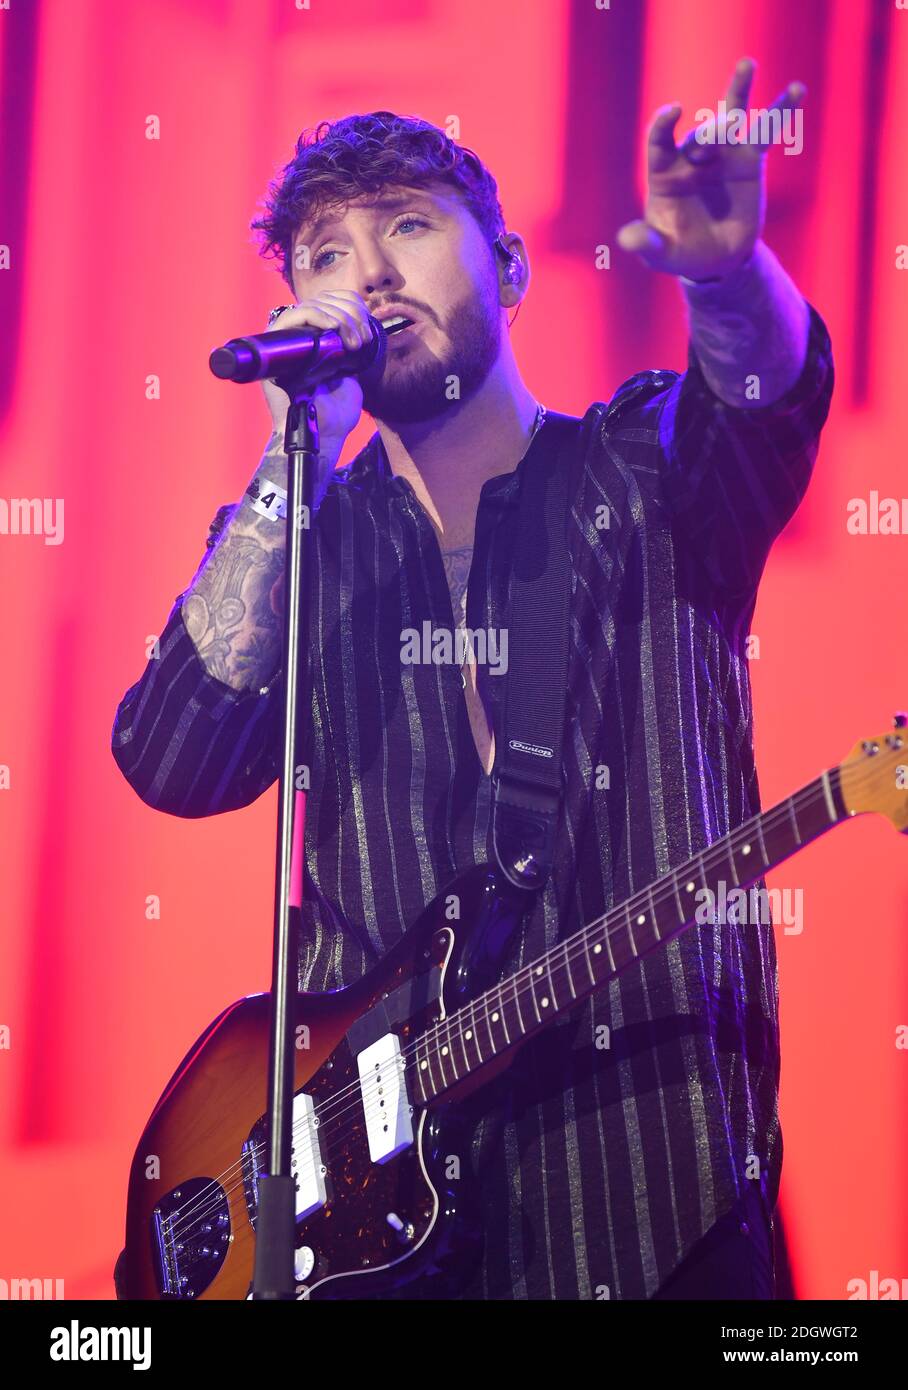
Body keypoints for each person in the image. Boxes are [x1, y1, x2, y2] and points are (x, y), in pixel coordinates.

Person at [111, 61, 834, 1300]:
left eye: (405, 225)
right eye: (324, 253)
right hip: (361, 1244)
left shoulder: (640, 472)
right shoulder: (309, 550)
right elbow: (171, 761)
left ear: (503, 267)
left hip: (645, 1193)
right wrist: (296, 466)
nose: (370, 275)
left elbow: (761, 404)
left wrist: (720, 271)